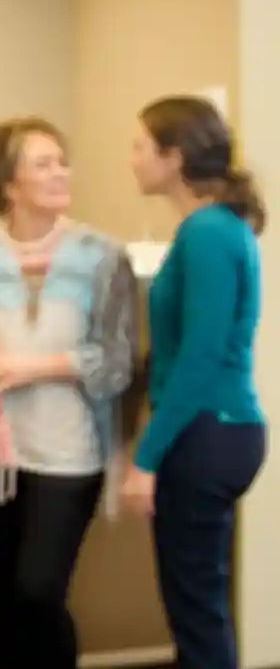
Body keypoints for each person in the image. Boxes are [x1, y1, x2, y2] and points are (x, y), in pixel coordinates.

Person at [0, 117, 138, 669]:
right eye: (43, 164)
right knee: (1, 599)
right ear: (8, 184)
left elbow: (116, 362)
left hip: (68, 454)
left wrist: (35, 367)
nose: (60, 173)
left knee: (38, 591)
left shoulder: (102, 256)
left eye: (61, 161)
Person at [121, 95, 267, 669]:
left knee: (197, 616)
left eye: (139, 147)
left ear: (173, 158)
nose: (131, 160)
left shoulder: (207, 231)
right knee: (199, 609)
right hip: (220, 431)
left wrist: (146, 458)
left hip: (207, 434)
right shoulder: (213, 228)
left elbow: (200, 357)